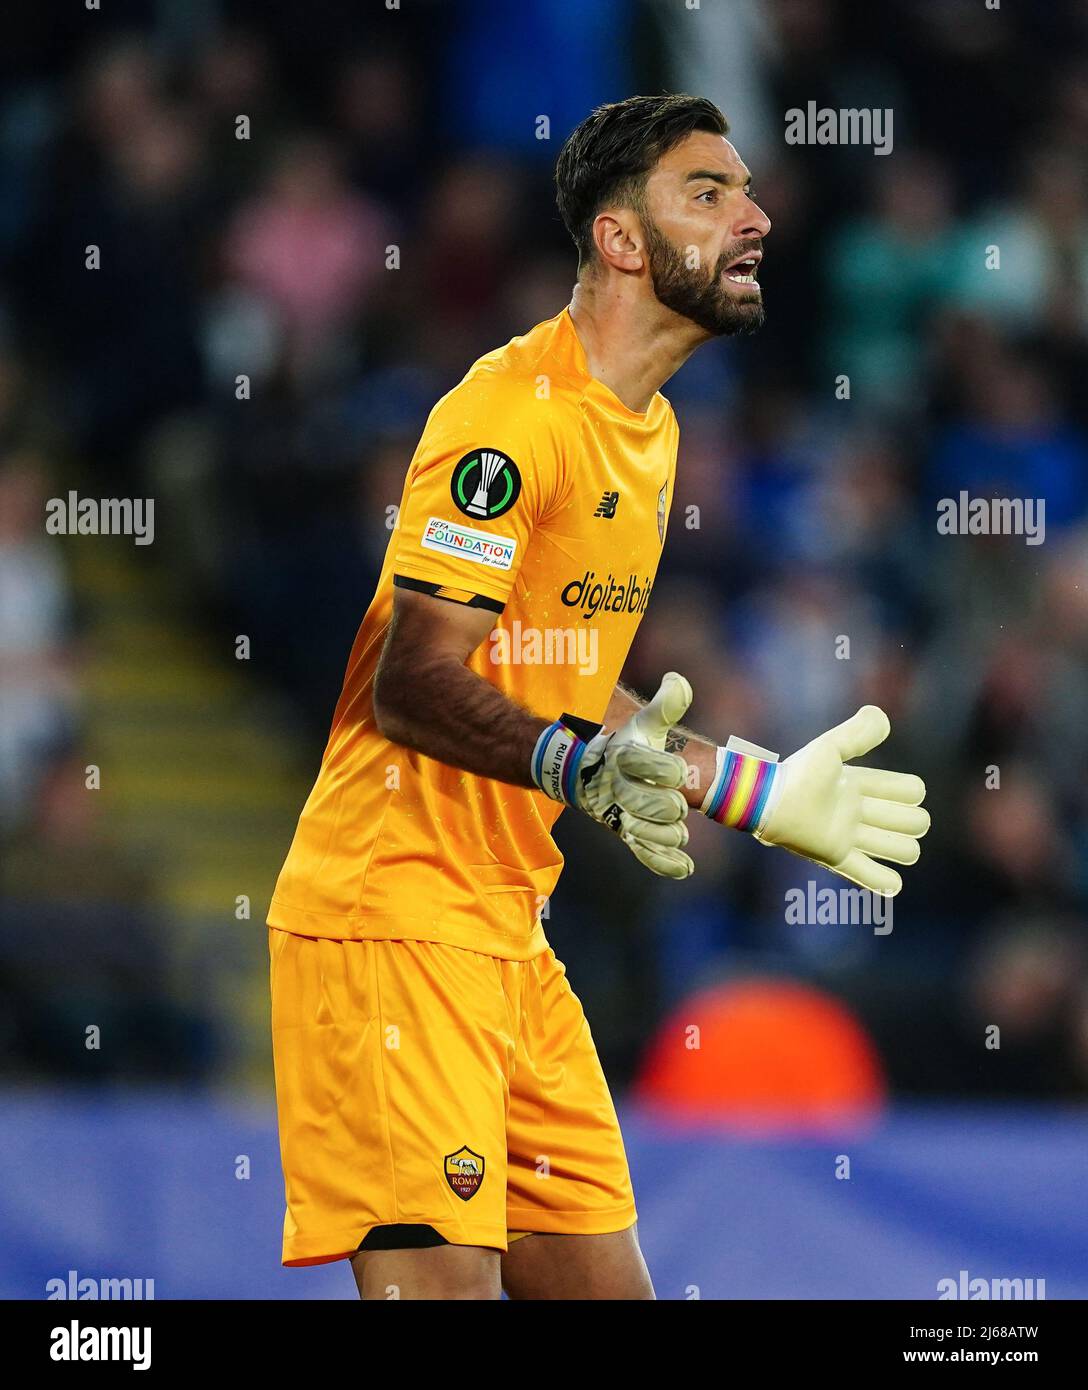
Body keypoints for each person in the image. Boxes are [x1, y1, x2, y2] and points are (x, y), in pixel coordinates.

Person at [267, 94, 930, 1301]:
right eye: (709, 194)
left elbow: (562, 680)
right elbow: (415, 684)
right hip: (391, 919)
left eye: (747, 192)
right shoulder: (505, 419)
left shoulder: (650, 431)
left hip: (512, 932)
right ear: (621, 241)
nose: (757, 219)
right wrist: (576, 768)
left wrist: (750, 788)